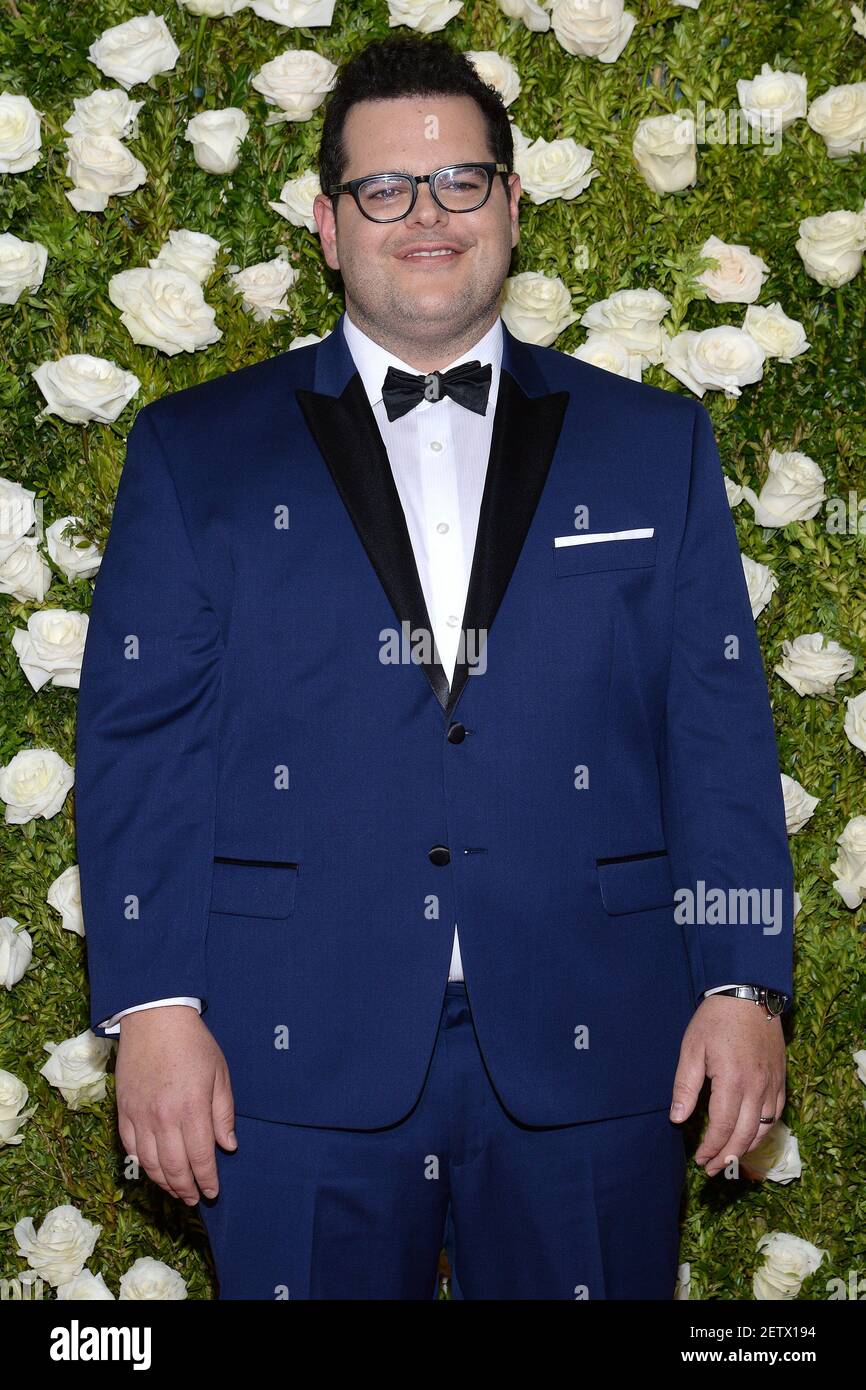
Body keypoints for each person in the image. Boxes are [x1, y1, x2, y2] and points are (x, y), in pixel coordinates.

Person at [75, 33, 794, 1300]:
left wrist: (740, 981)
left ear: (511, 207)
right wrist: (157, 1010)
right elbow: (145, 751)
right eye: (384, 188)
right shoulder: (194, 452)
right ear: (326, 222)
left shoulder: (654, 444)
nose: (425, 214)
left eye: (460, 181)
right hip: (282, 1059)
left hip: (600, 1041)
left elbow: (717, 734)